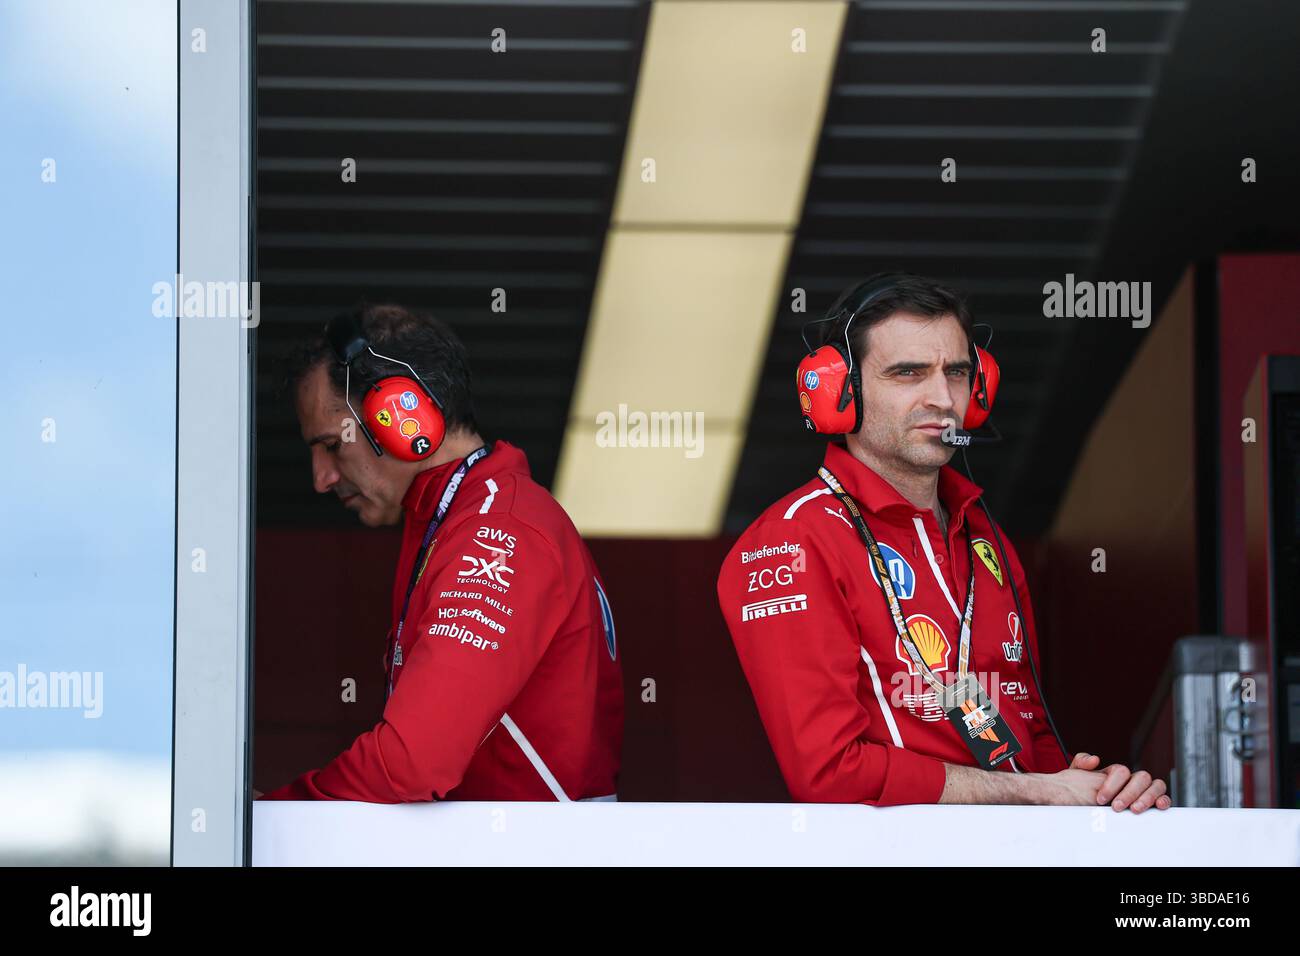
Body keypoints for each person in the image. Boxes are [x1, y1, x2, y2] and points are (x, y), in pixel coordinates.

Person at [716, 274, 1171, 812]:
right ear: (843, 392)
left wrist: (1100, 792)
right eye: (907, 373)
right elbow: (829, 774)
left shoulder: (986, 538)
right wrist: (1034, 793)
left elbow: (1032, 740)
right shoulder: (791, 541)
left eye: (956, 373)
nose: (941, 398)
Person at [259, 303, 623, 801]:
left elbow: (413, 761)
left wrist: (277, 819)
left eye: (332, 445)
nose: (321, 478)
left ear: (403, 415)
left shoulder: (497, 531)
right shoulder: (458, 521)